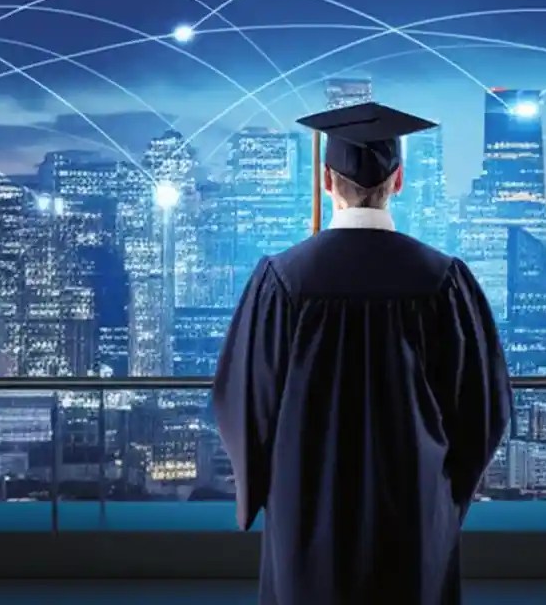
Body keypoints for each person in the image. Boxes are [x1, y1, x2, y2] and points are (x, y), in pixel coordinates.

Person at [213, 102, 512, 605]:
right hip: (414, 510)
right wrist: (444, 493)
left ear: (327, 180)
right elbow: (483, 411)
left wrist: (266, 485)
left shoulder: (283, 280)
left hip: (306, 510)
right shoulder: (443, 280)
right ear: (398, 180)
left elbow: (245, 402)